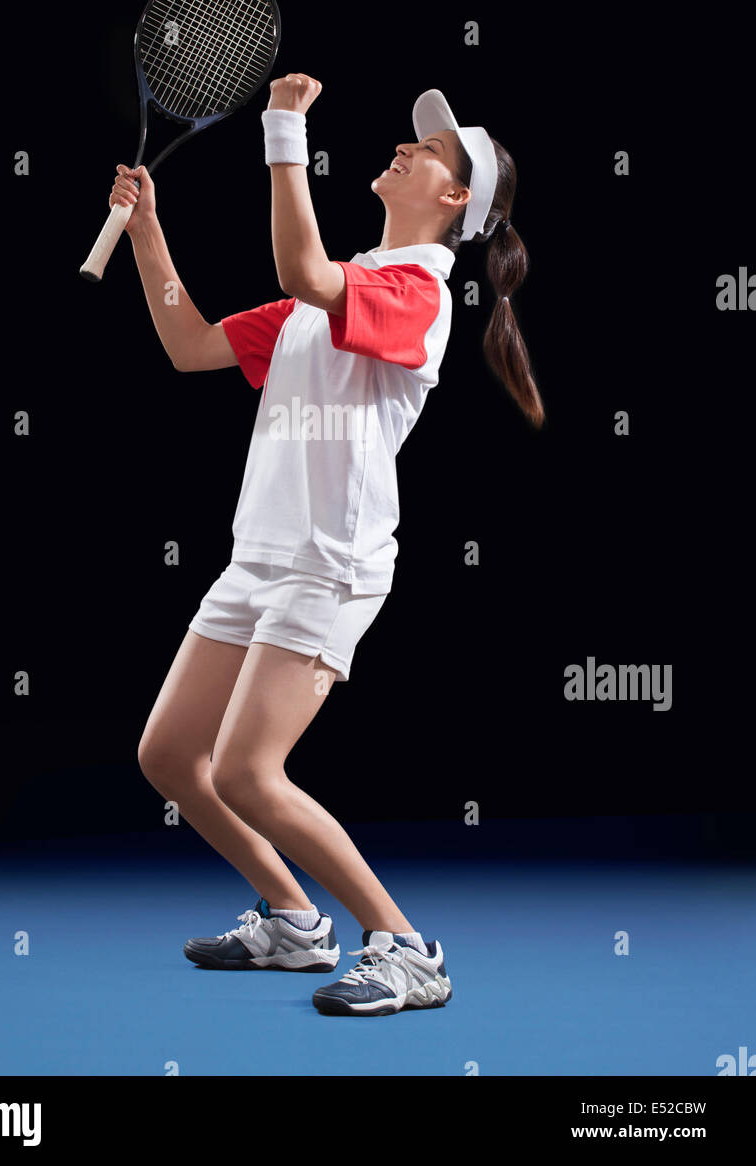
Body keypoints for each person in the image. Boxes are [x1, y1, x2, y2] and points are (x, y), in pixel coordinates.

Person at [116, 75, 545, 1016]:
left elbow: (301, 270)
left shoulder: (413, 294)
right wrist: (149, 229)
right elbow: (190, 344)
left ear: (454, 200)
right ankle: (292, 921)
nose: (408, 146)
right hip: (258, 557)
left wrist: (283, 131)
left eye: (432, 151)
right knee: (169, 757)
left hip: (332, 563)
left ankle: (404, 947)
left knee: (242, 772)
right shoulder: (333, 297)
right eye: (415, 139)